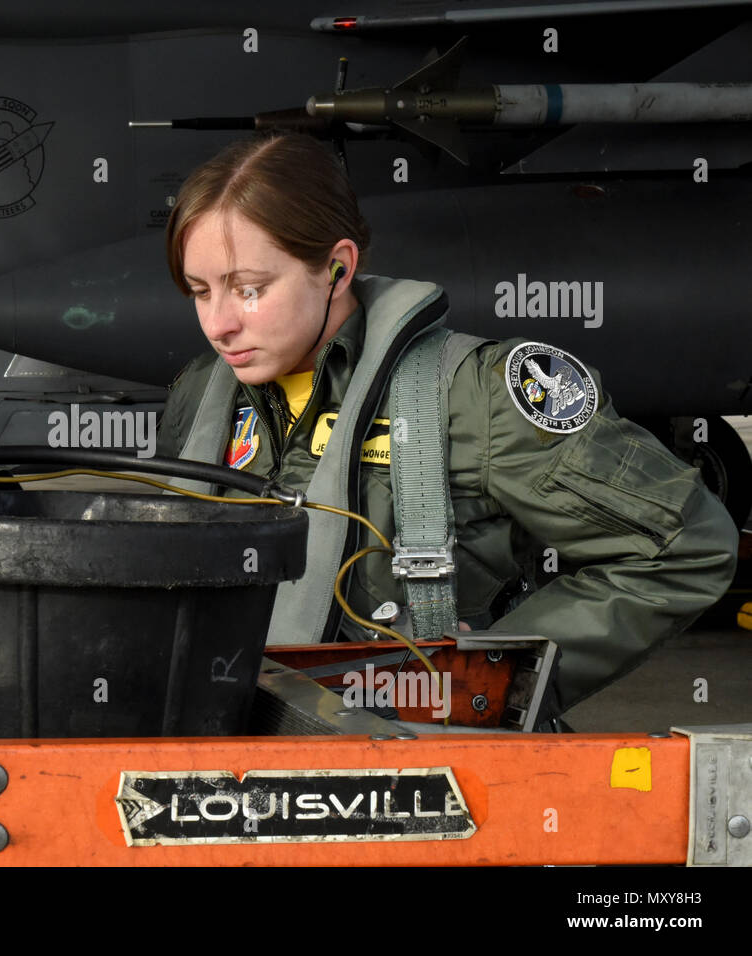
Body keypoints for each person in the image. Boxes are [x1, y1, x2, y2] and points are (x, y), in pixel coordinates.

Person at [155, 133, 739, 714]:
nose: (219, 323)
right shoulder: (202, 396)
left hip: (415, 778)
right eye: (201, 293)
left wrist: (490, 679)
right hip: (220, 757)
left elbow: (684, 545)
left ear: (336, 268)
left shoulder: (472, 395)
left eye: (249, 289)